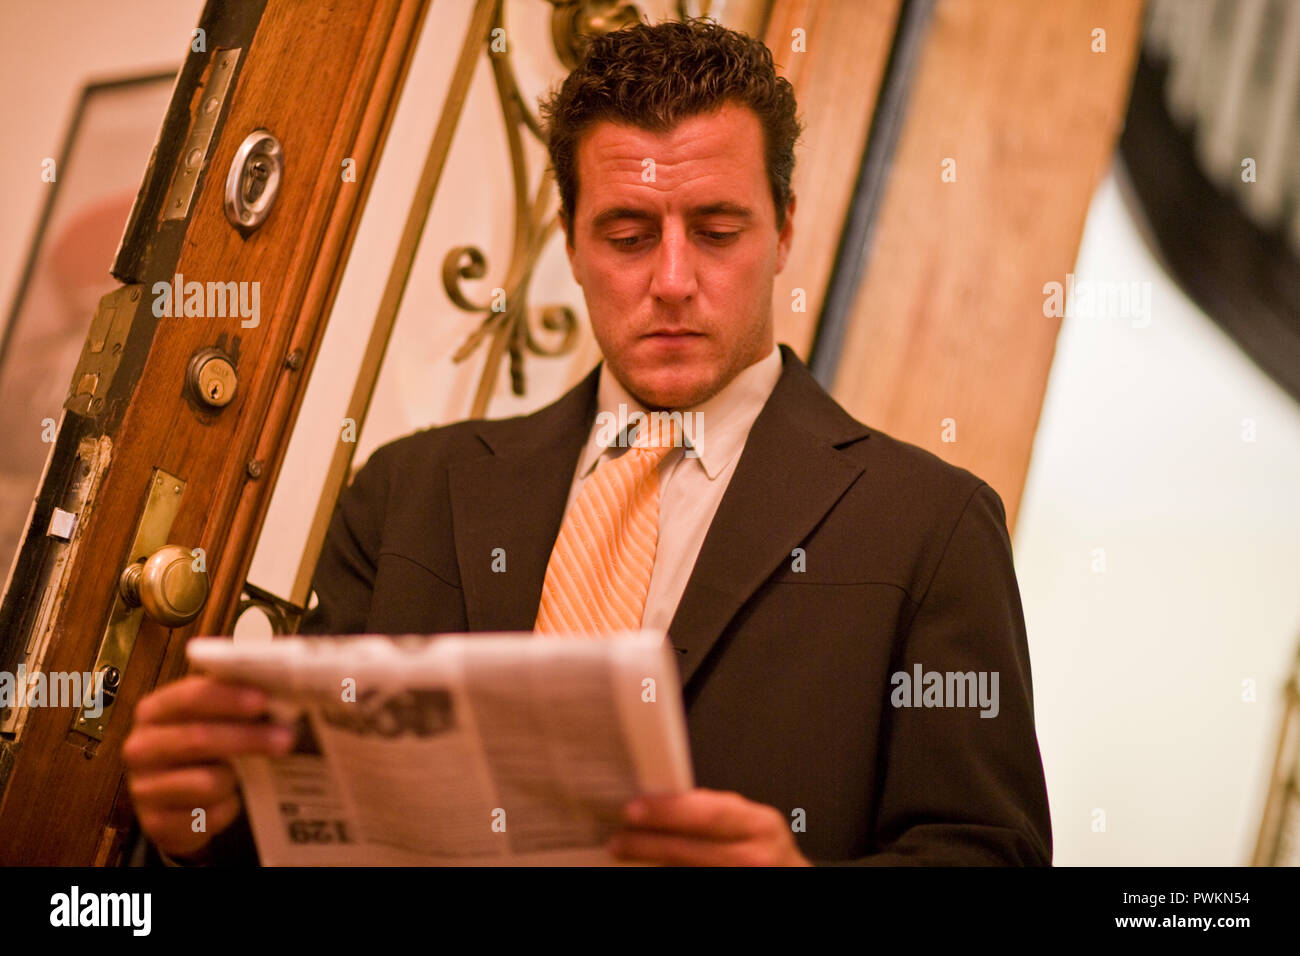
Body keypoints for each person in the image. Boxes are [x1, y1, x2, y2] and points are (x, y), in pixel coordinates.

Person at [124, 18, 1051, 866]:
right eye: (629, 234)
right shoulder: (410, 491)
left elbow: (990, 856)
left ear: (784, 231)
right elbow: (317, 833)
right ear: (569, 241)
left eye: (719, 230)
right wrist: (204, 832)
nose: (675, 280)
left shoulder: (928, 526)